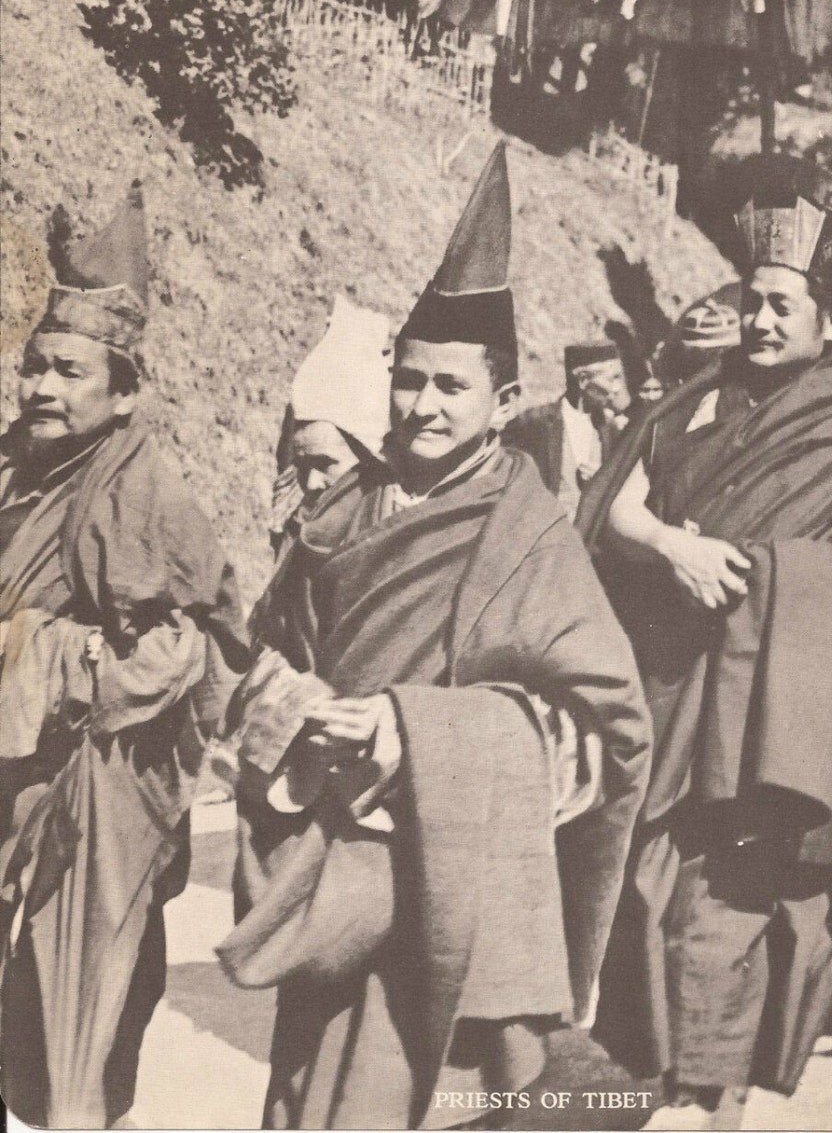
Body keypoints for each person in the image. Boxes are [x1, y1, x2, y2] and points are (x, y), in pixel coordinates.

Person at [220, 144, 651, 1130]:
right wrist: (296, 706)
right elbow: (254, 659)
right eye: (409, 381)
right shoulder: (339, 514)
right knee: (305, 1098)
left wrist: (413, 735)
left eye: (451, 386)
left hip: (451, 887)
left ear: (506, 403)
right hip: (332, 867)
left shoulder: (530, 536)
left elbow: (603, 730)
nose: (422, 406)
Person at [580, 155, 832, 1130]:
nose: (763, 320)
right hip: (667, 696)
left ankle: (712, 1103)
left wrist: (754, 571)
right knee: (643, 901)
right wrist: (672, 546)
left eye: (783, 306)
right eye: (753, 300)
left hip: (768, 720)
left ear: (830, 322)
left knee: (725, 915)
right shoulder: (695, 396)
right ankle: (647, 1088)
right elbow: (614, 506)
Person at [0, 187, 247, 1128]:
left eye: (69, 371)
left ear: (125, 390)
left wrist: (36, 653)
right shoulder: (14, 468)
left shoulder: (144, 495)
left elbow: (185, 651)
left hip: (84, 799)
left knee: (76, 1037)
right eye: (34, 365)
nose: (42, 388)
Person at [268, 294, 392, 552]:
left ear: (368, 459)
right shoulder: (298, 524)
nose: (311, 483)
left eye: (325, 463)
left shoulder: (390, 535)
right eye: (303, 467)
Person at [504, 341, 629, 519]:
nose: (617, 388)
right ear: (583, 380)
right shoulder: (535, 422)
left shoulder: (610, 429)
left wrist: (603, 481)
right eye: (612, 378)